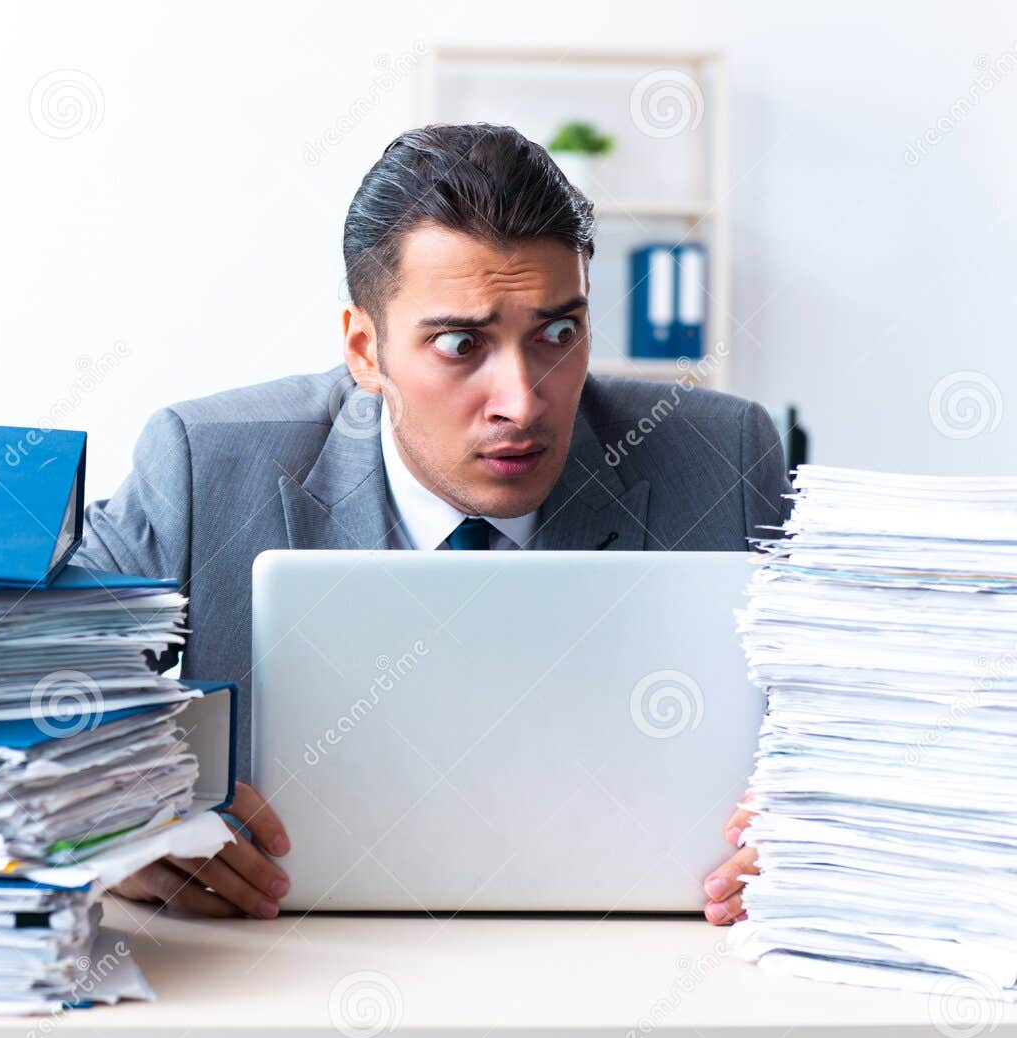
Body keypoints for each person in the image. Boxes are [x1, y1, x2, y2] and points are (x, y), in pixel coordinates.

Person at [72, 123, 782, 925]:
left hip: (644, 954)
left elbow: (866, 717)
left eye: (557, 334)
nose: (522, 400)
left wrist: (823, 823)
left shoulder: (725, 460)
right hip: (282, 959)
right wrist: (113, 823)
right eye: (459, 343)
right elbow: (8, 692)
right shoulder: (205, 465)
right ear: (365, 350)